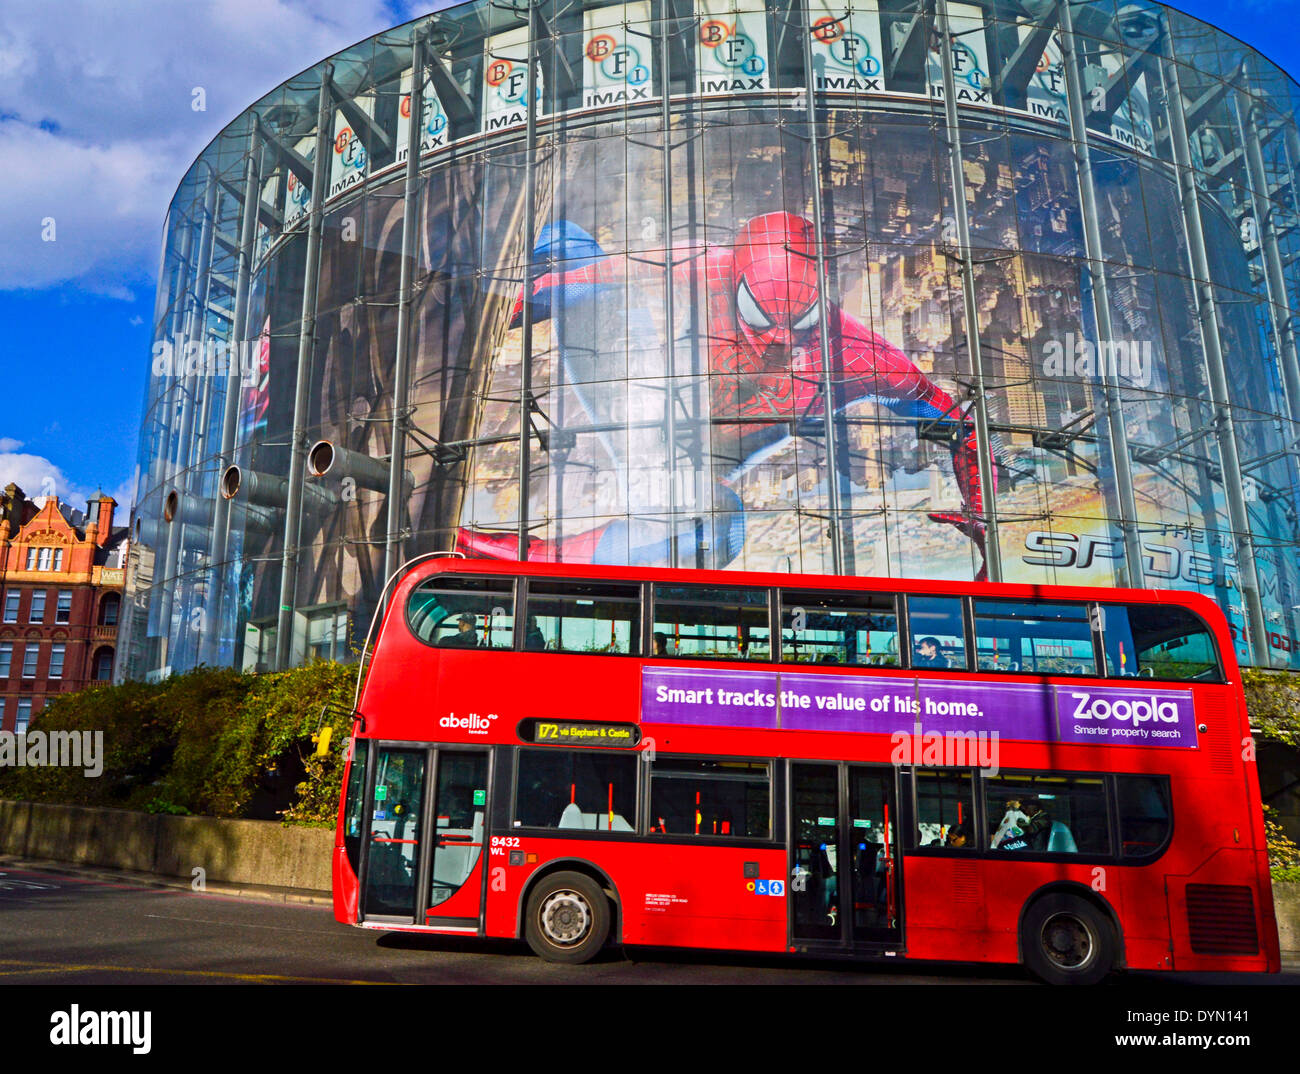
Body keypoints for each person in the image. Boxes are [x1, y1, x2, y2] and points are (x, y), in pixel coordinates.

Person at [454, 214, 992, 578]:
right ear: (731, 280)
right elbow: (596, 274)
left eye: (800, 322)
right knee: (570, 245)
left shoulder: (857, 354)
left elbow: (955, 422)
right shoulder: (699, 264)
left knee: (717, 528)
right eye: (762, 316)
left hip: (693, 455)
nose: (780, 341)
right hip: (648, 395)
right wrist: (492, 316)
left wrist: (981, 510)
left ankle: (524, 558)